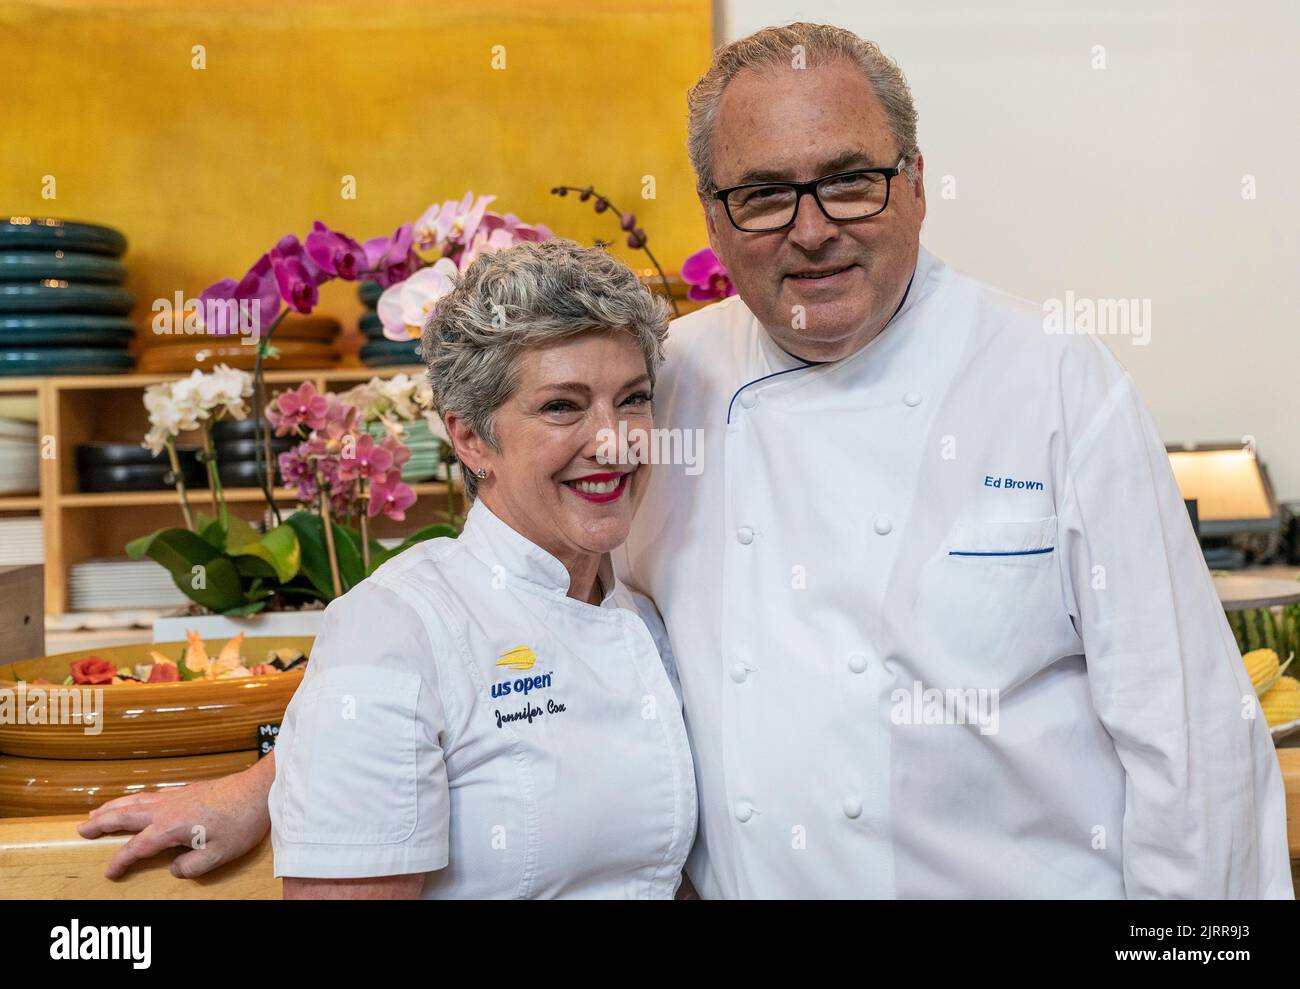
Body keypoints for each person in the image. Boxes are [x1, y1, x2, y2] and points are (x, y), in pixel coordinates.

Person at [609, 21, 1291, 898]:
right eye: (765, 194)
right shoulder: (658, 386)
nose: (812, 230)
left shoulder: (1054, 378)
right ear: (712, 214)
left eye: (851, 181)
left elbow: (1192, 736)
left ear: (918, 184)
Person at [83, 239, 697, 898]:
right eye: (562, 406)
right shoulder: (397, 623)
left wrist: (261, 783)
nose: (613, 440)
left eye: (631, 399)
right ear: (468, 437)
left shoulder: (644, 604)